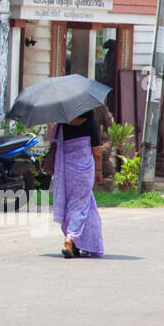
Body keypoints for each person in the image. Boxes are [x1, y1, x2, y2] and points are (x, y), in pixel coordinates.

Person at [47, 109, 104, 258]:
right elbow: (97, 152)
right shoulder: (90, 124)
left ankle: (77, 245)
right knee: (80, 207)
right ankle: (70, 238)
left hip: (65, 171)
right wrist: (99, 170)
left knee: (70, 205)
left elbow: (52, 142)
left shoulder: (61, 125)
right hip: (84, 172)